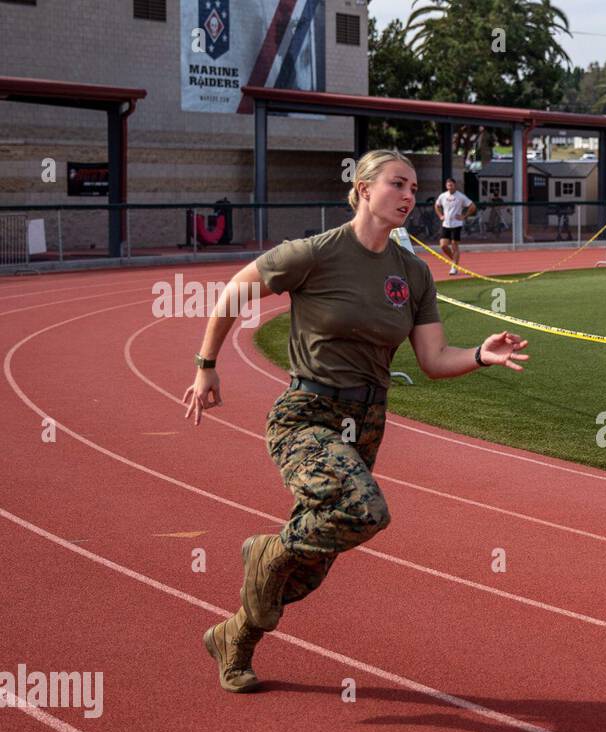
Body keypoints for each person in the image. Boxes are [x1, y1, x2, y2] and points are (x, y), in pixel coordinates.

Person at [182, 149, 529, 693]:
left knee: (311, 568)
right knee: (364, 510)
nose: (411, 196)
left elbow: (434, 361)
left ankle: (235, 638)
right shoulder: (314, 253)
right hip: (307, 414)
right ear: (364, 189)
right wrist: (206, 366)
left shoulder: (412, 273)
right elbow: (234, 292)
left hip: (366, 421)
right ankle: (266, 549)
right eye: (398, 184)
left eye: (415, 187)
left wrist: (480, 355)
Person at [435, 177, 476, 275]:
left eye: (451, 184)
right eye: (448, 184)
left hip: (456, 225)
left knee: (454, 245)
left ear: (455, 185)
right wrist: (440, 215)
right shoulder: (443, 196)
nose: (450, 186)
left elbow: (472, 206)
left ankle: (454, 267)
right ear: (446, 186)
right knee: (443, 245)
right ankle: (454, 260)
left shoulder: (460, 196)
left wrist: (464, 216)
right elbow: (436, 205)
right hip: (446, 224)